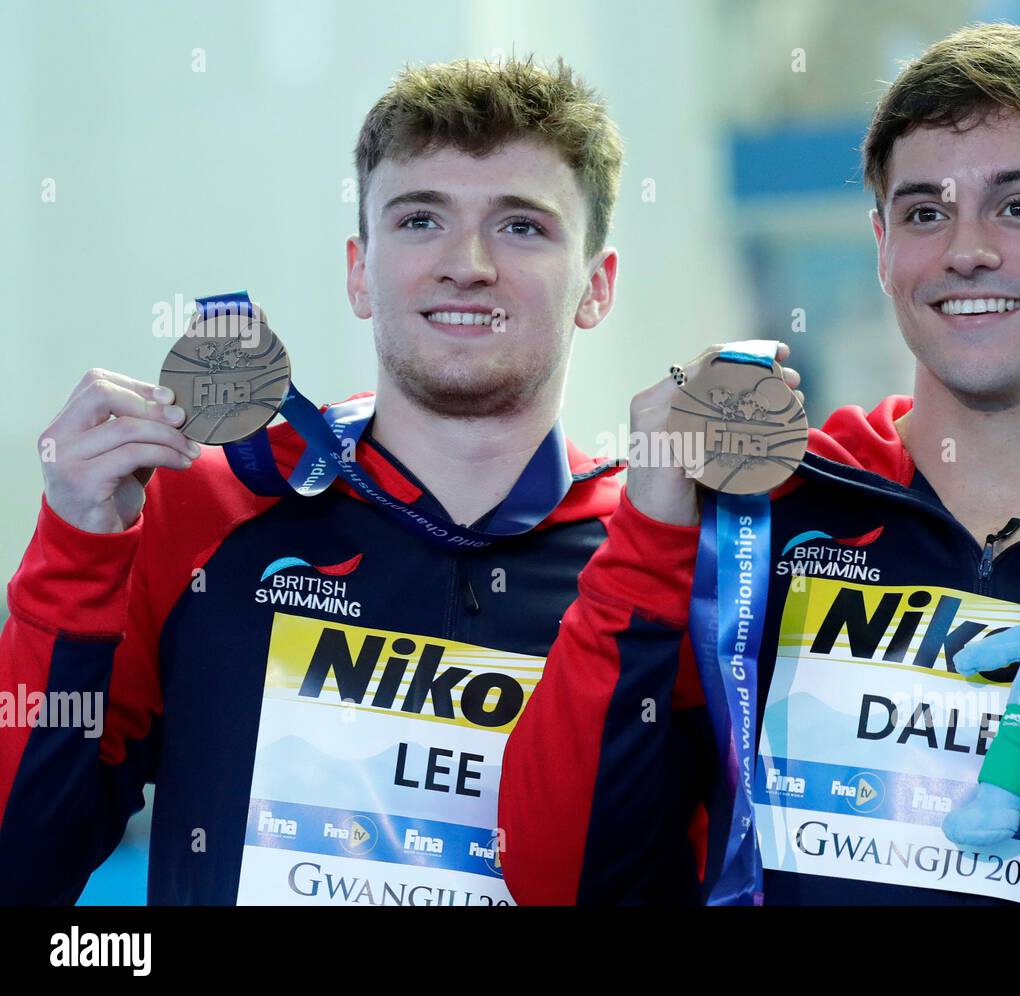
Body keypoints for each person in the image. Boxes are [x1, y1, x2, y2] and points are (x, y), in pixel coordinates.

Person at [499, 23, 1020, 906]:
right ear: (882, 244)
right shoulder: (760, 520)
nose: (966, 249)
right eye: (925, 211)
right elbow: (552, 878)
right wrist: (649, 539)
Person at [0, 56, 624, 905]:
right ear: (359, 271)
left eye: (522, 226)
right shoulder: (206, 508)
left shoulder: (648, 566)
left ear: (597, 285)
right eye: (418, 220)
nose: (466, 263)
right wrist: (74, 552)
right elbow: (22, 864)